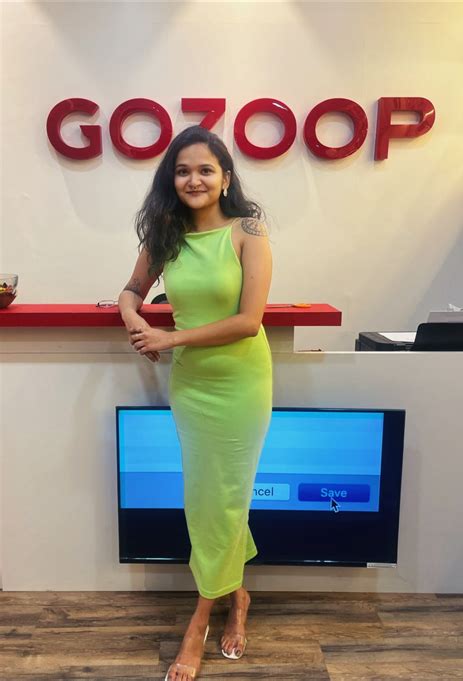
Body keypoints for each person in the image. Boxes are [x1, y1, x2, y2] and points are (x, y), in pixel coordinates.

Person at [118, 124, 273, 681]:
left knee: (224, 498)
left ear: (225, 177)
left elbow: (248, 320)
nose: (194, 179)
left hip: (242, 383)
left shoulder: (248, 230)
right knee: (207, 499)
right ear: (171, 179)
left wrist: (169, 339)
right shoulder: (166, 234)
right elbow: (131, 290)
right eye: (182, 171)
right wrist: (134, 319)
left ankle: (201, 617)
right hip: (191, 388)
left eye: (205, 169)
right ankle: (239, 596)